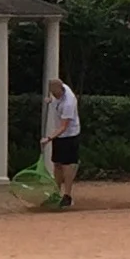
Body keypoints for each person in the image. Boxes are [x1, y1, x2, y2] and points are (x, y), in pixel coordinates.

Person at [42, 74, 83, 207]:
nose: (54, 95)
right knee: (57, 164)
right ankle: (56, 193)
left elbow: (64, 127)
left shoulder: (68, 103)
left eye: (56, 94)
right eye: (52, 93)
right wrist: (51, 100)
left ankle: (68, 196)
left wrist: (48, 138)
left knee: (67, 165)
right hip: (58, 135)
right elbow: (54, 97)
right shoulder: (58, 90)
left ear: (61, 90)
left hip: (69, 135)